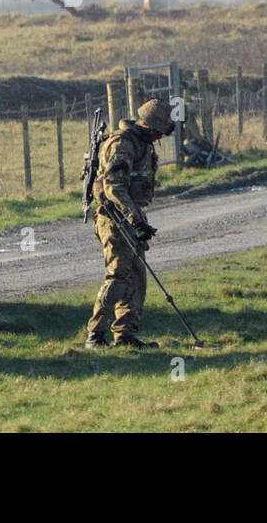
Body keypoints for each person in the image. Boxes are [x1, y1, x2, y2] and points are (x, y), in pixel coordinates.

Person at [85, 98, 175, 348]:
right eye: (156, 130)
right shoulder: (122, 145)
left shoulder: (142, 143)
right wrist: (135, 219)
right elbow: (113, 186)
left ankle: (125, 335)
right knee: (117, 277)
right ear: (145, 124)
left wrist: (137, 218)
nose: (158, 136)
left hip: (130, 215)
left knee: (136, 277)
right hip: (114, 218)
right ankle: (95, 334)